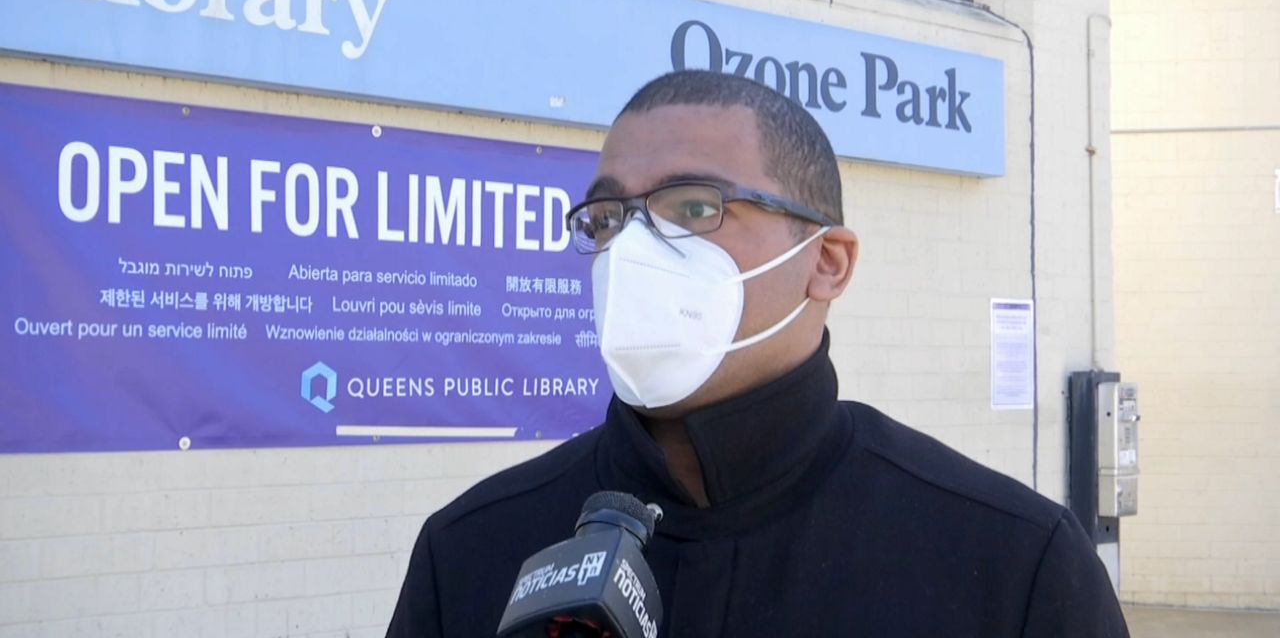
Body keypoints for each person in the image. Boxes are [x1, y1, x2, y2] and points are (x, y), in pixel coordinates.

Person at [386, 71, 1130, 637]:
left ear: (828, 261)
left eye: (694, 207)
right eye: (610, 216)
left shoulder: (1014, 565)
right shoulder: (471, 551)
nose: (633, 249)